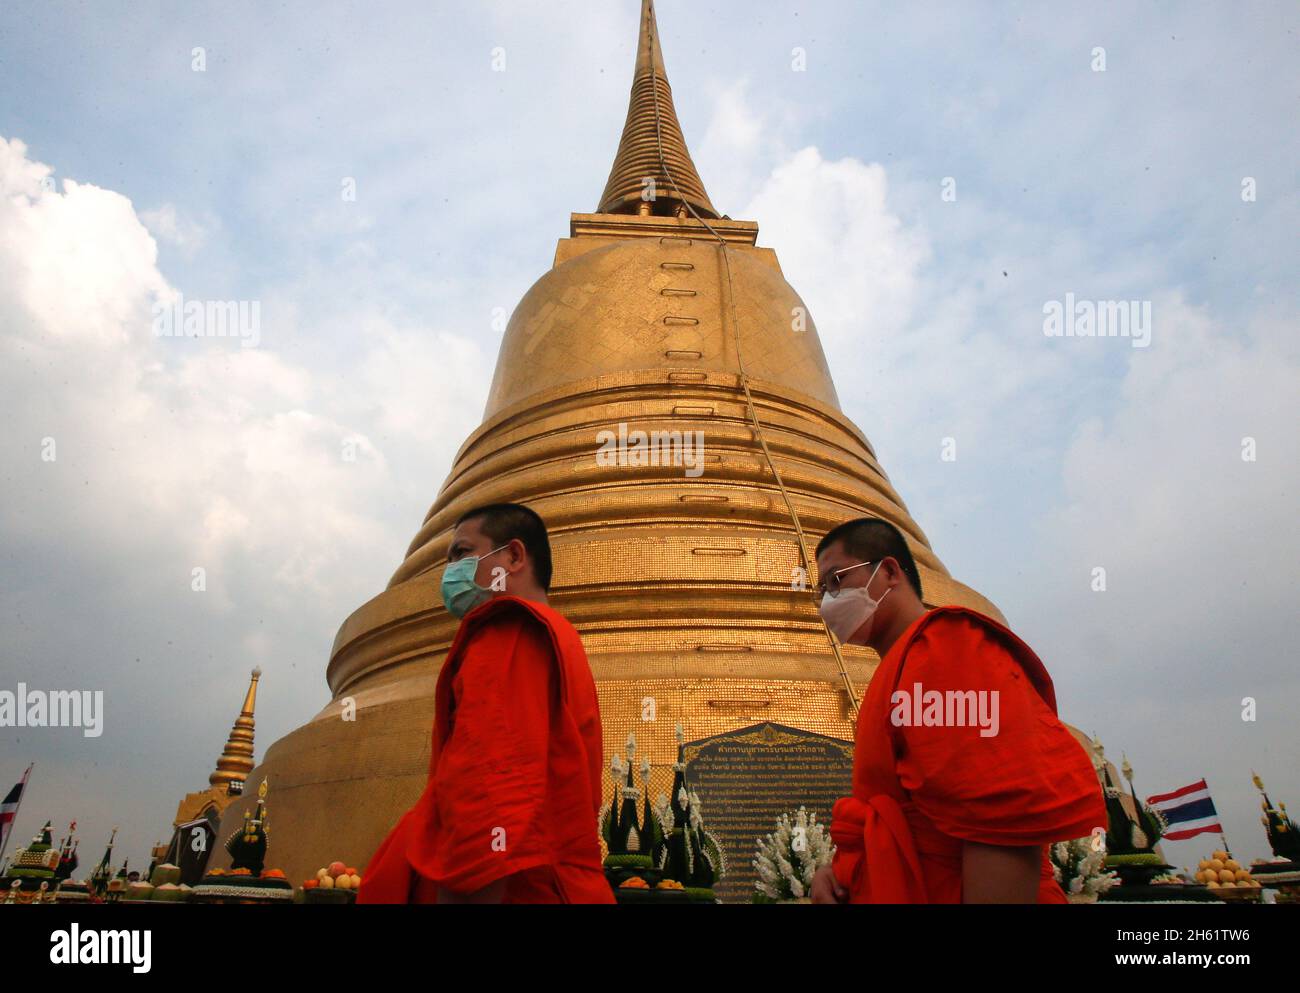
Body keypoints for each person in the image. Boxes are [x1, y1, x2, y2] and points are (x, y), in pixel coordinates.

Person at [808, 517, 1104, 904]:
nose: (828, 602)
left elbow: (1000, 821)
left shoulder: (943, 647)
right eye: (821, 590)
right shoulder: (900, 667)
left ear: (889, 571)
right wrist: (845, 867)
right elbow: (909, 823)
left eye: (836, 581)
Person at [357, 502, 614, 904]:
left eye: (462, 553)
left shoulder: (507, 630)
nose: (450, 572)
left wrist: (466, 887)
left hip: (509, 886)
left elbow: (493, 786)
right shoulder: (556, 635)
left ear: (512, 556)